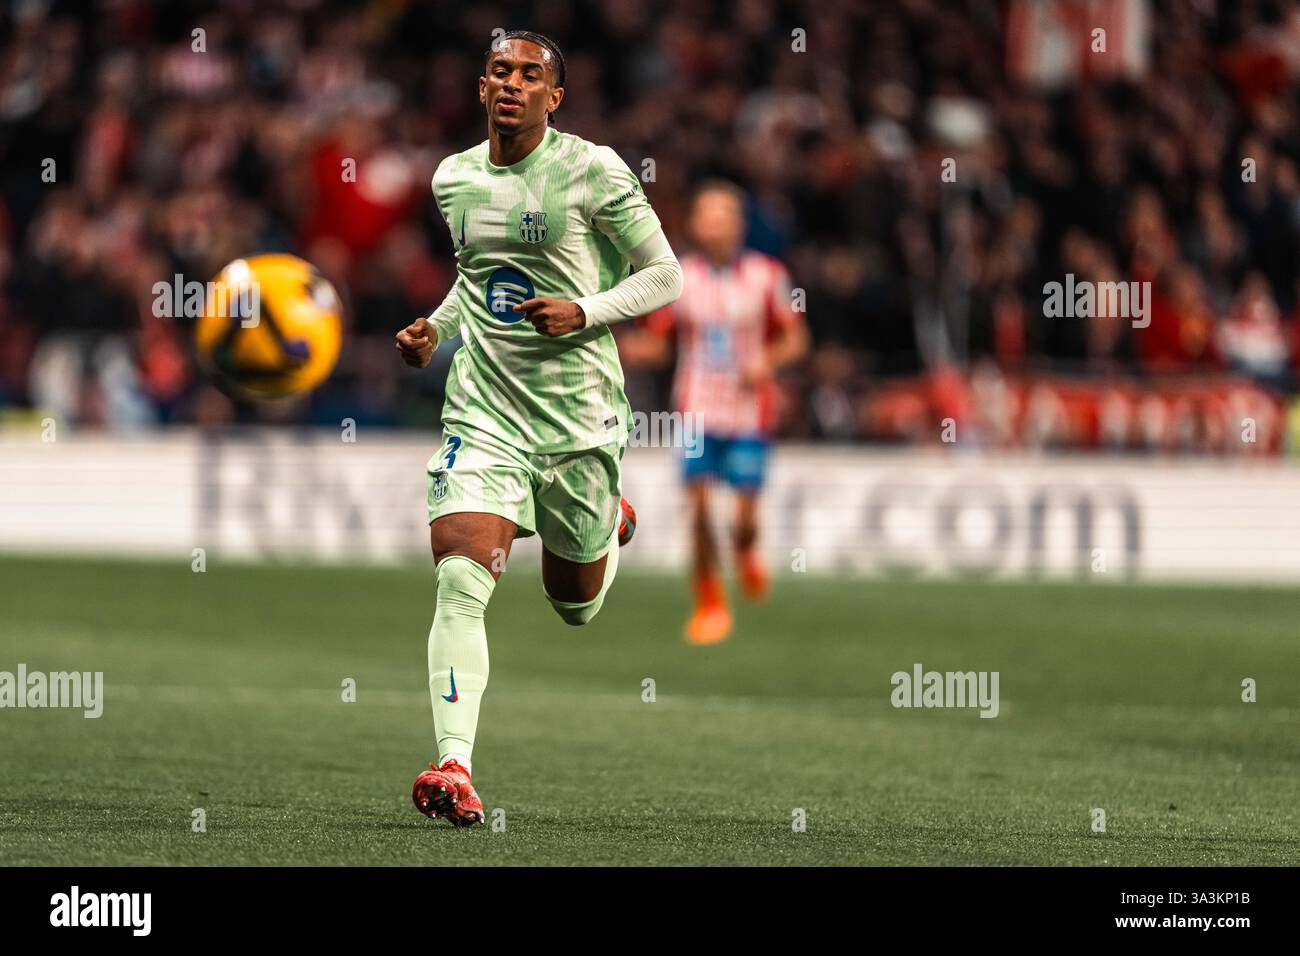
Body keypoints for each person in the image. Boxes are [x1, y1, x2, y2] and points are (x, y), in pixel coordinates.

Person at [394, 30, 682, 825]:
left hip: (578, 419)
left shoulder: (594, 170)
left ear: (554, 97)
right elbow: (477, 280)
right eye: (499, 71)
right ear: (482, 86)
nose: (511, 84)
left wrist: (585, 310)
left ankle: (608, 521)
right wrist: (437, 329)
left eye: (530, 75)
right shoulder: (452, 179)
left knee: (574, 602)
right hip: (483, 409)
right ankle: (454, 765)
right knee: (460, 573)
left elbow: (666, 273)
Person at [636, 180, 807, 645]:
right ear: (694, 224)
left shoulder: (768, 275)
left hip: (750, 411)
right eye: (707, 215)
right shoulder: (677, 277)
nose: (716, 224)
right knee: (697, 511)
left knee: (745, 520)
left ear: (740, 224)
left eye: (724, 215)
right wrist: (609, 341)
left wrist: (766, 362)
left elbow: (796, 337)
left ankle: (747, 548)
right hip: (695, 410)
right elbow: (659, 340)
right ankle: (710, 603)